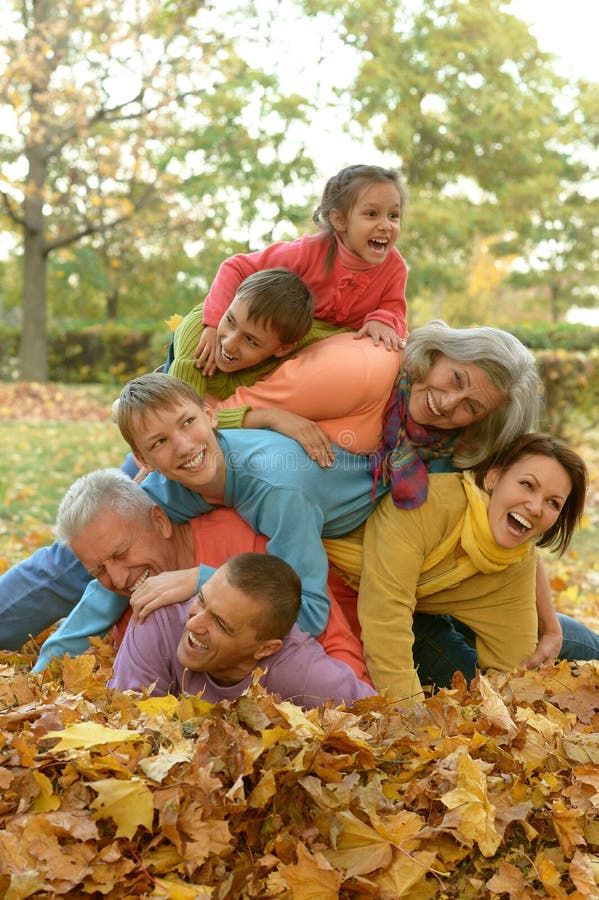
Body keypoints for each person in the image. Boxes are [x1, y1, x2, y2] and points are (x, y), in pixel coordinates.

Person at [48, 468, 374, 706]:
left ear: (160, 522)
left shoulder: (245, 542)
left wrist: (201, 578)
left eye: (121, 554)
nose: (117, 580)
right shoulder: (134, 602)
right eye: (98, 570)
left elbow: (323, 630)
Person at [325, 433, 587, 701]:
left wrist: (516, 705)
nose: (535, 507)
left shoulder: (517, 556)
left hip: (432, 607)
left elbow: (514, 671)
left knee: (587, 648)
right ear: (493, 478)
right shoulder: (425, 505)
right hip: (355, 599)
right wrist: (407, 714)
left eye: (553, 502)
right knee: (467, 693)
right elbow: (386, 617)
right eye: (527, 485)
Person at [195, 164, 409, 376]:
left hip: (329, 359)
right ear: (340, 220)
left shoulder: (394, 267)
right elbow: (236, 267)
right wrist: (213, 324)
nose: (386, 225)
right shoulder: (308, 252)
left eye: (393, 216)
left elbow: (394, 308)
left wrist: (382, 320)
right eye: (372, 214)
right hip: (279, 345)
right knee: (200, 333)